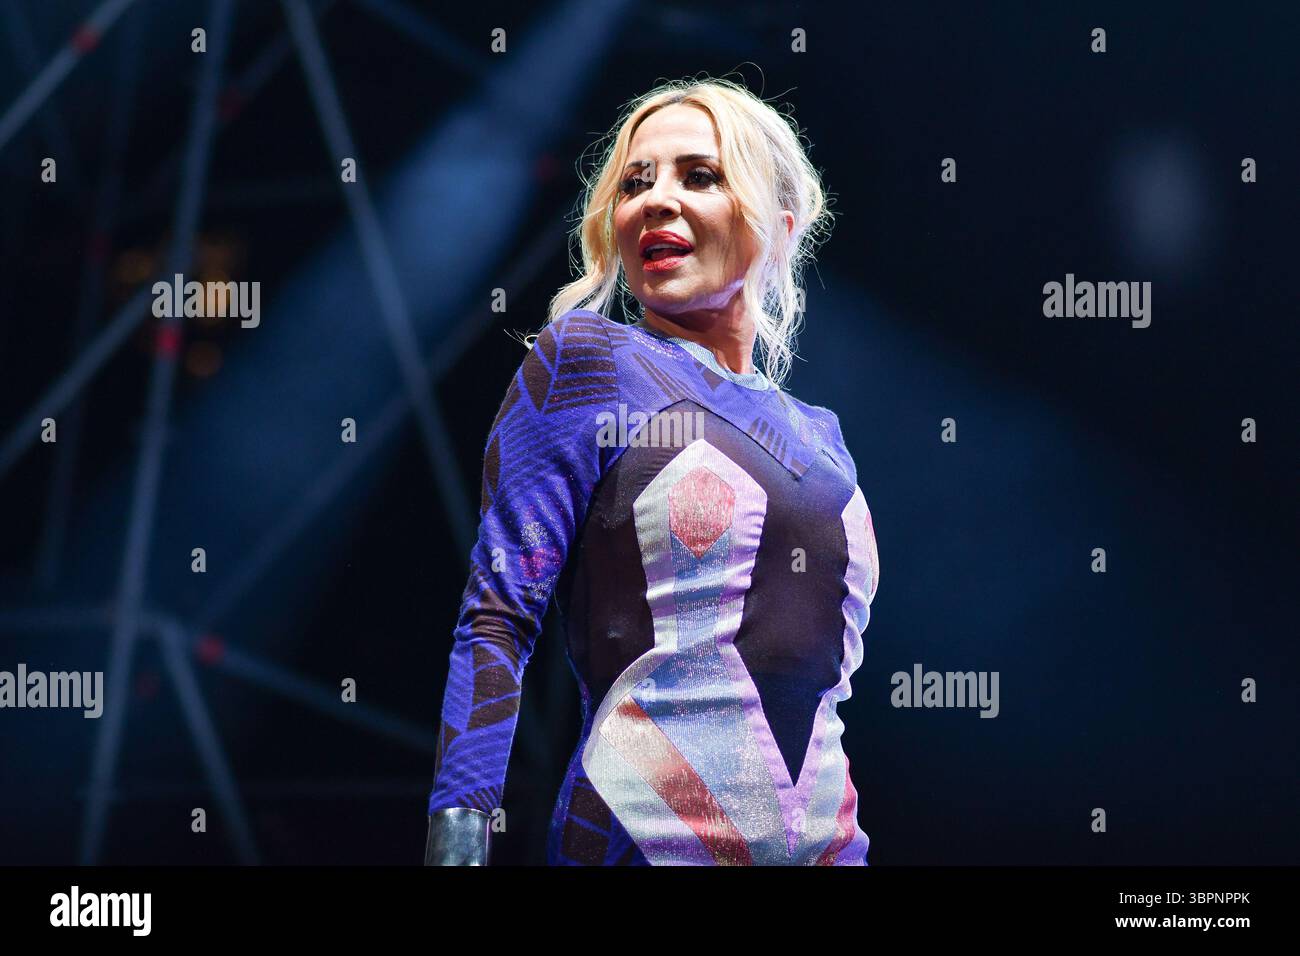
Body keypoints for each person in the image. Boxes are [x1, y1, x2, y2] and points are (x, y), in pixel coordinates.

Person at [424, 76, 879, 865]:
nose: (654, 202)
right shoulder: (588, 363)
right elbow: (498, 616)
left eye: (697, 176)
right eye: (634, 183)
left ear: (778, 222)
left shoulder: (825, 438)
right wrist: (457, 840)